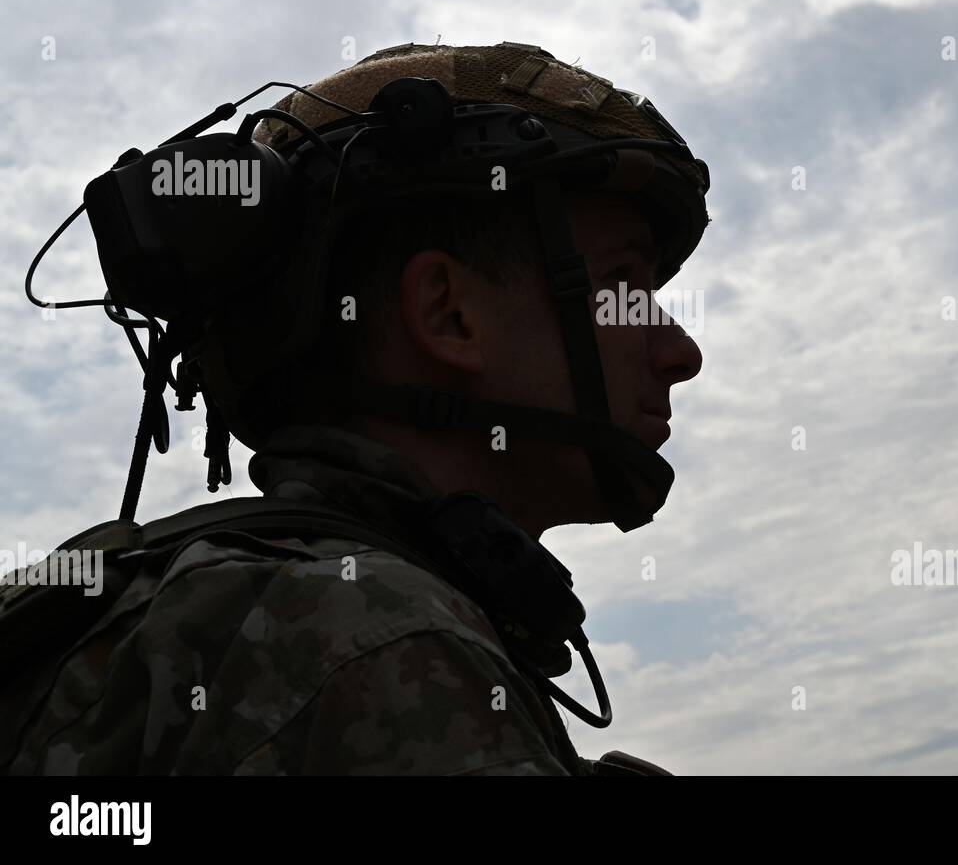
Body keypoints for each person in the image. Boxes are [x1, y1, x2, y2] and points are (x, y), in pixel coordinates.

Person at [0, 42, 710, 775]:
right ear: (449, 314)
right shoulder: (372, 636)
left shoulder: (213, 614)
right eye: (624, 287)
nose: (680, 352)